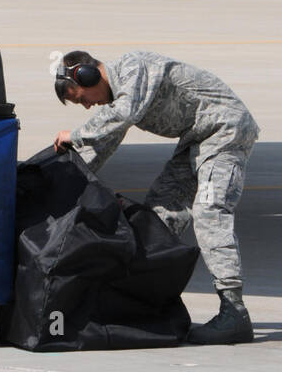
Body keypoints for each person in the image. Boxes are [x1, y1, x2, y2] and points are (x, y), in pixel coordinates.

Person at [53, 49, 259, 344]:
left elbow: (123, 115)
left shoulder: (135, 68)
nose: (87, 106)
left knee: (209, 209)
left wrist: (75, 134)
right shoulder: (121, 99)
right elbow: (103, 143)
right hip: (198, 138)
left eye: (81, 97)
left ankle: (234, 311)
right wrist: (63, 178)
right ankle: (148, 301)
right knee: (161, 211)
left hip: (225, 131)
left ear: (89, 75)